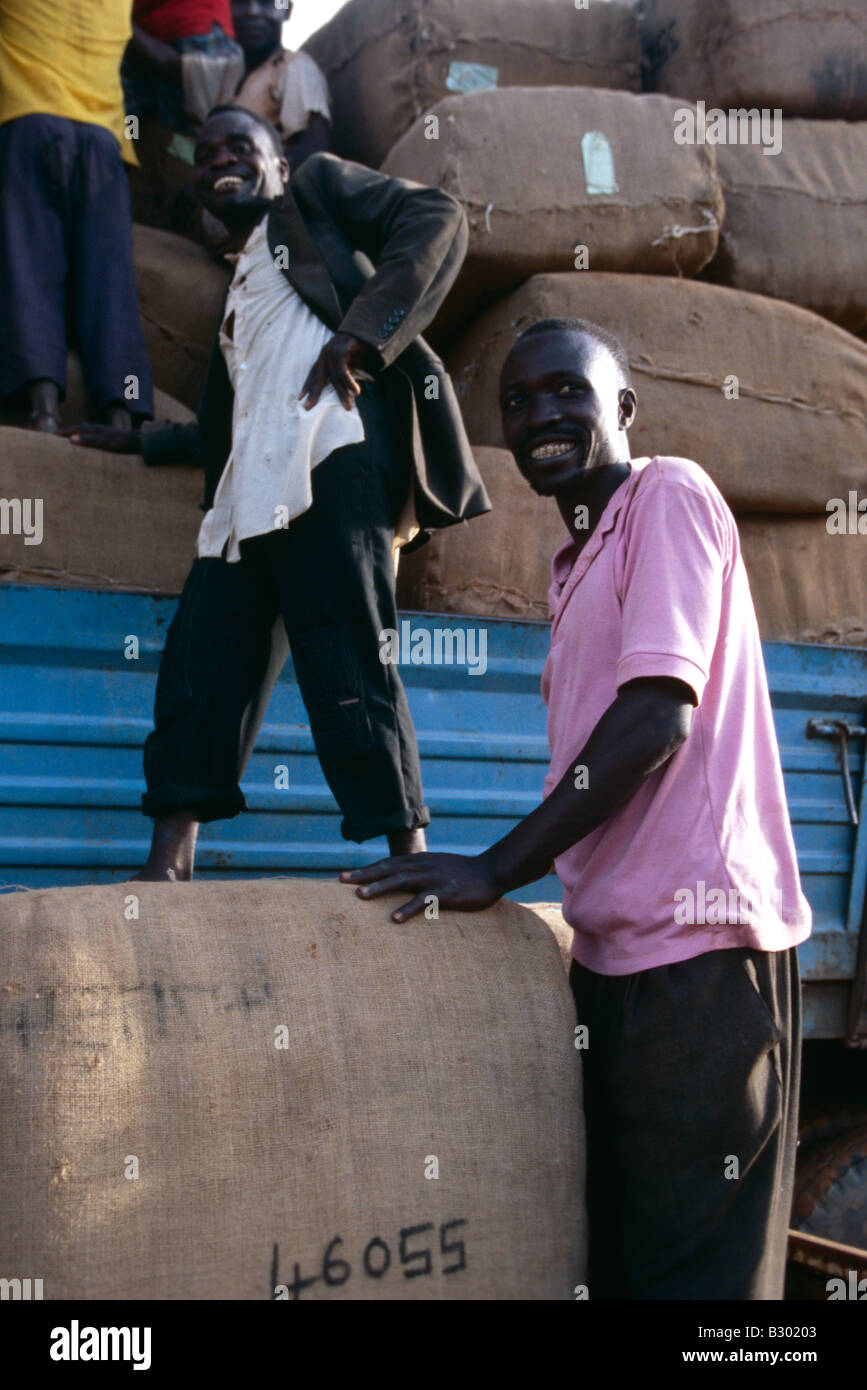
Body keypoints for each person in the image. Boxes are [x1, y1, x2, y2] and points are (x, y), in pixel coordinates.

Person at [341, 317, 812, 1301]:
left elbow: (654, 720)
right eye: (517, 402)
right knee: (630, 1265)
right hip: (619, 967)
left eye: (567, 391)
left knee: (700, 1286)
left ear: (624, 409)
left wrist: (496, 867)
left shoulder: (668, 496)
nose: (540, 415)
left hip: (702, 970)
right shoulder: (572, 565)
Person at [62, 104, 490, 881]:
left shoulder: (316, 197)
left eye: (241, 144)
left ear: (280, 166)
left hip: (333, 449)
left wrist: (360, 334)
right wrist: (139, 438)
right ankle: (170, 864)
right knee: (201, 661)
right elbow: (230, 419)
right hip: (247, 491)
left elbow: (436, 216)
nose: (219, 156)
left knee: (349, 648)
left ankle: (408, 851)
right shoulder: (241, 288)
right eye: (207, 150)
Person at [0, 0, 154, 431]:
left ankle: (44, 409)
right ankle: (122, 414)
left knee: (29, 269)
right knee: (111, 284)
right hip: (103, 144)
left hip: (28, 120)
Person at [232, 0, 331, 171]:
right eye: (241, 2)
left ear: (286, 11)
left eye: (267, 3)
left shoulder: (295, 68)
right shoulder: (227, 73)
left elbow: (313, 150)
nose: (252, 12)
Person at [123, 1, 245, 135]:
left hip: (193, 26)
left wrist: (116, 21)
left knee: (203, 131)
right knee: (133, 130)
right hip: (138, 33)